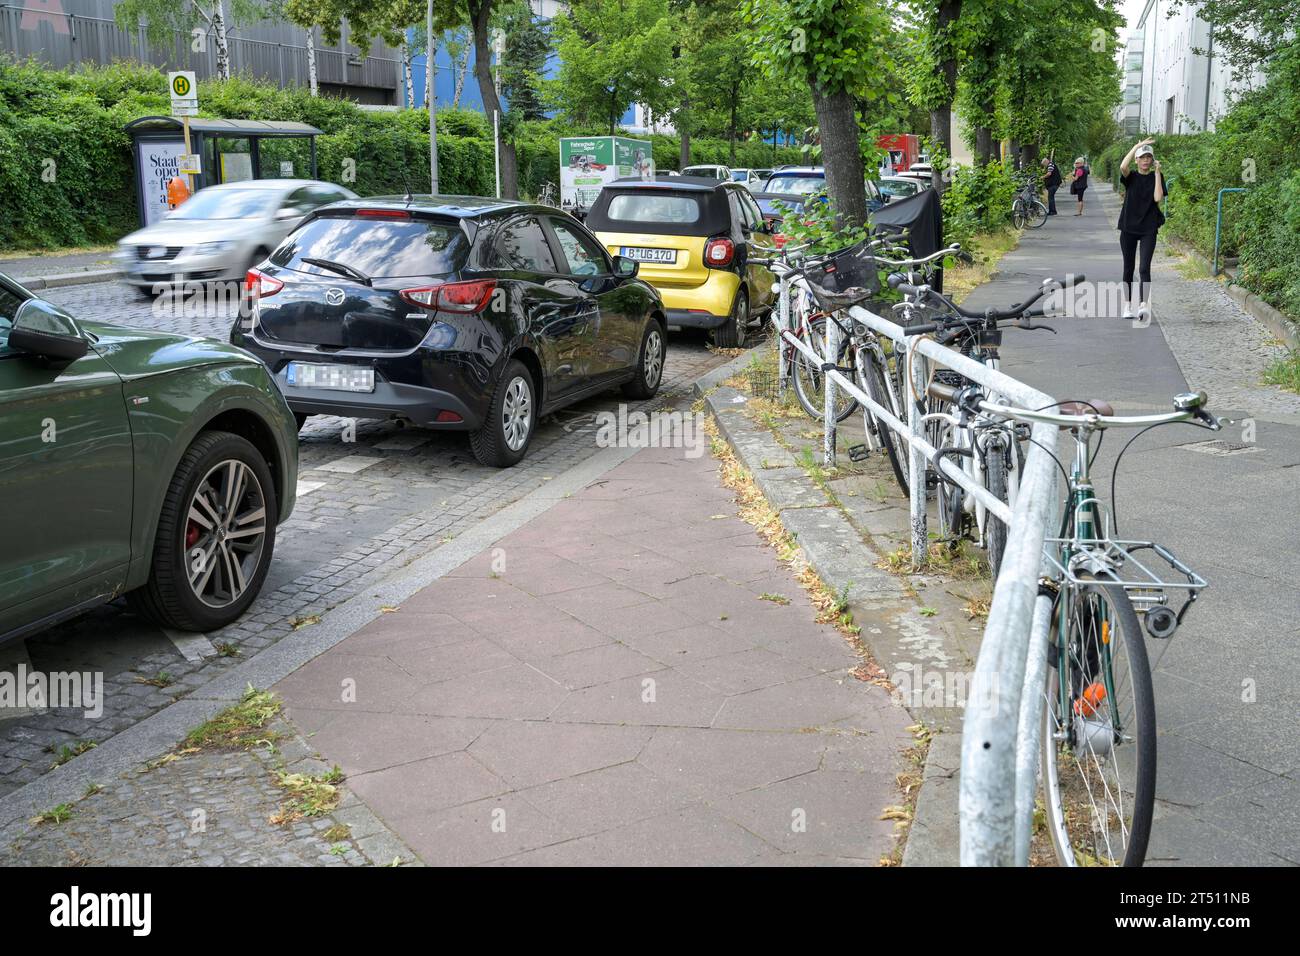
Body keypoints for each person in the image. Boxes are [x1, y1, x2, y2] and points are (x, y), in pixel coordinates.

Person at [1116, 137, 1167, 319]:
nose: (1146, 160)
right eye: (1142, 157)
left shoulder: (1157, 176)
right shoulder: (1131, 178)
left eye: (1148, 158)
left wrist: (1157, 173)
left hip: (1148, 227)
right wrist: (1136, 146)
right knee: (1128, 268)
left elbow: (1157, 198)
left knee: (1144, 267)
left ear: (1152, 161)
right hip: (1129, 227)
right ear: (1137, 160)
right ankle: (1128, 306)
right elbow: (1123, 167)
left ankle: (1144, 304)